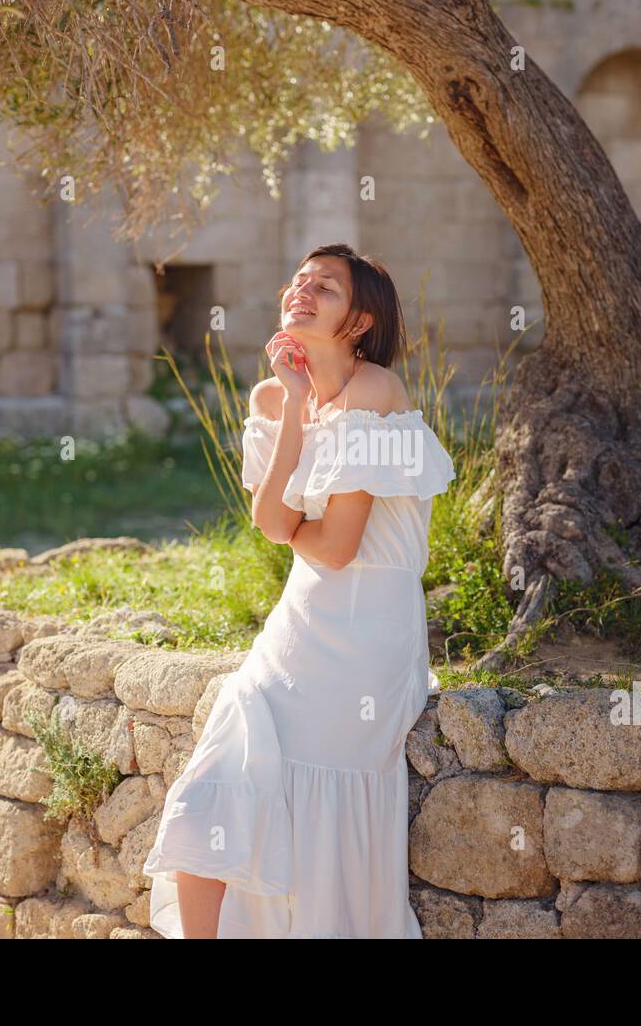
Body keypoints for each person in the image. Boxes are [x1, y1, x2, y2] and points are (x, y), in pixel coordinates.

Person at [141, 243, 456, 938]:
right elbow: (271, 520)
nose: (304, 291)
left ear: (360, 320)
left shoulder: (377, 392)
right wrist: (293, 402)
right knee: (217, 778)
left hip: (368, 636)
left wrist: (293, 529)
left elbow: (337, 546)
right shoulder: (271, 394)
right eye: (300, 280)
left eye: (328, 288)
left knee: (308, 786)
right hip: (295, 628)